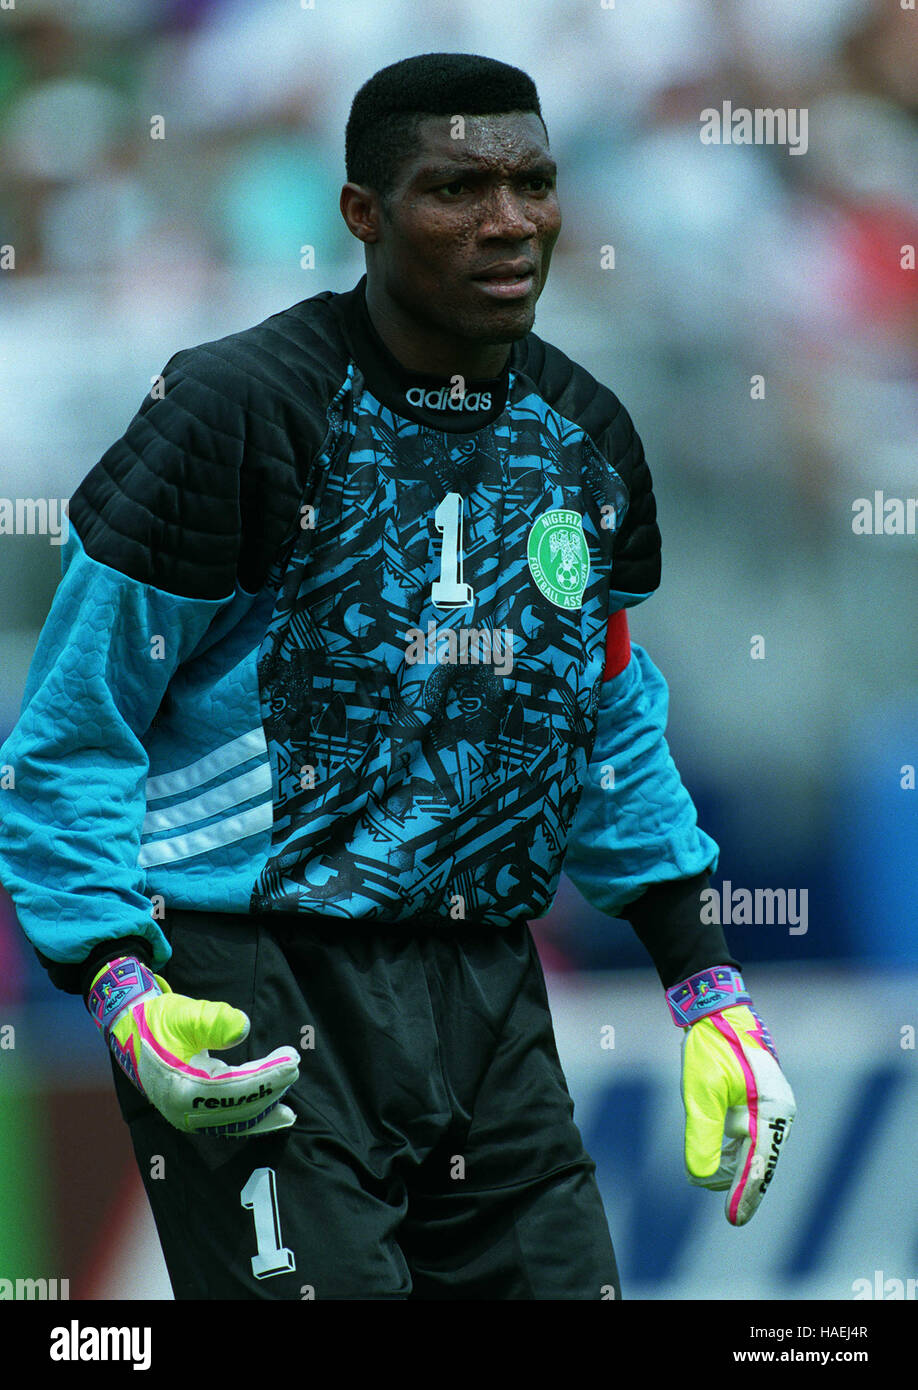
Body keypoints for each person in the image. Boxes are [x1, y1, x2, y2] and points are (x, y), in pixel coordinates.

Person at [0, 53, 795, 1300]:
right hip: (249, 983)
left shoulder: (589, 439)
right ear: (361, 213)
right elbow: (71, 729)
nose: (510, 220)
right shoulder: (233, 413)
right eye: (459, 188)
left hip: (489, 990)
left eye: (533, 182)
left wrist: (710, 990)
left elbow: (607, 728)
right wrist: (115, 975)